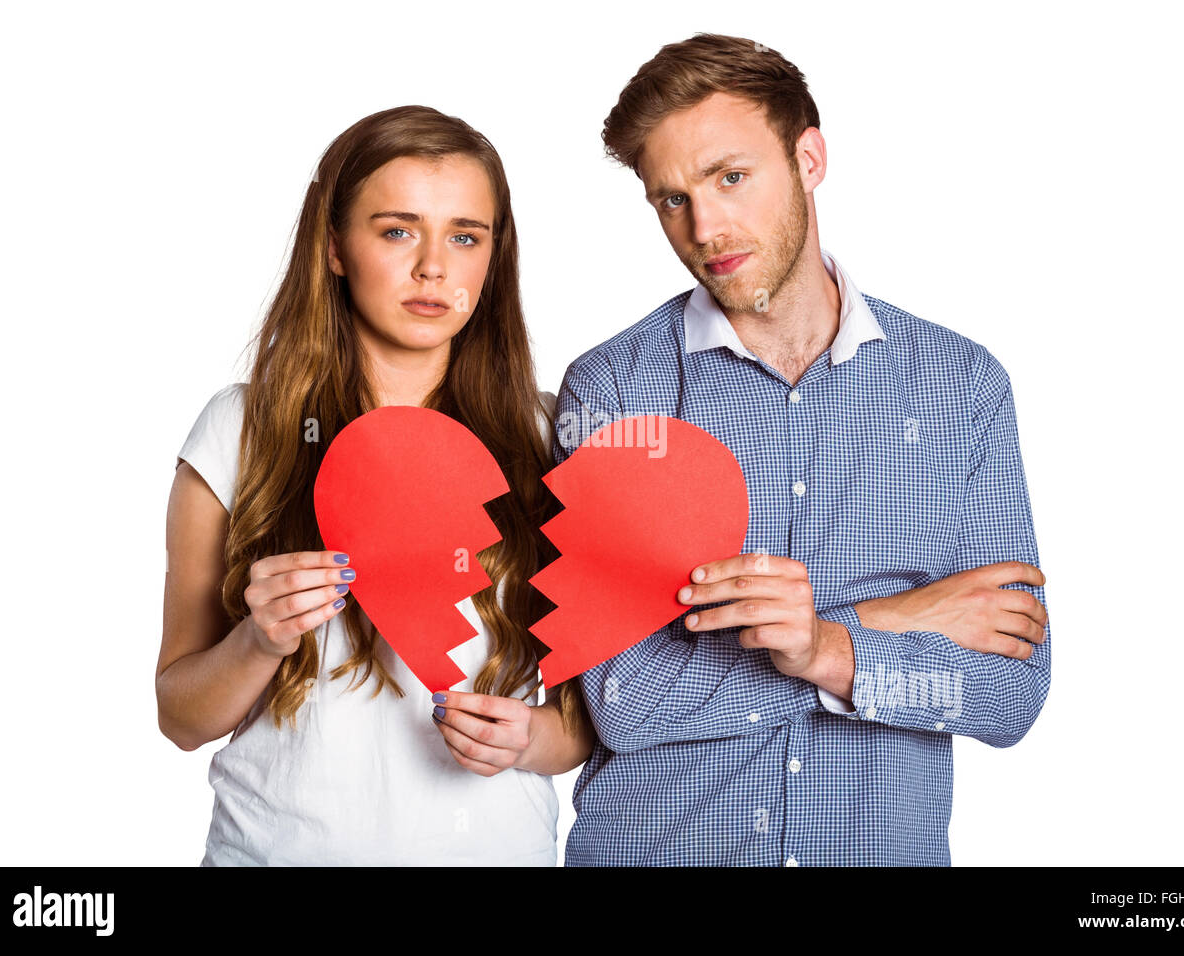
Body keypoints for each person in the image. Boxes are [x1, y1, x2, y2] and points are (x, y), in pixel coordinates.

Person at [553, 33, 1052, 866]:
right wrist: (883, 626)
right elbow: (626, 701)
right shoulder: (612, 394)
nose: (706, 227)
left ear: (809, 158)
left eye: (730, 177)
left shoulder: (961, 387)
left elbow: (1010, 693)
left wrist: (824, 643)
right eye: (671, 200)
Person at [158, 105, 593, 866]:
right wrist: (260, 640)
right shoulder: (240, 430)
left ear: (494, 258)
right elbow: (181, 717)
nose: (434, 267)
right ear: (334, 247)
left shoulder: (548, 434)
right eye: (397, 230)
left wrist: (532, 740)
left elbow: (584, 721)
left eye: (466, 236)